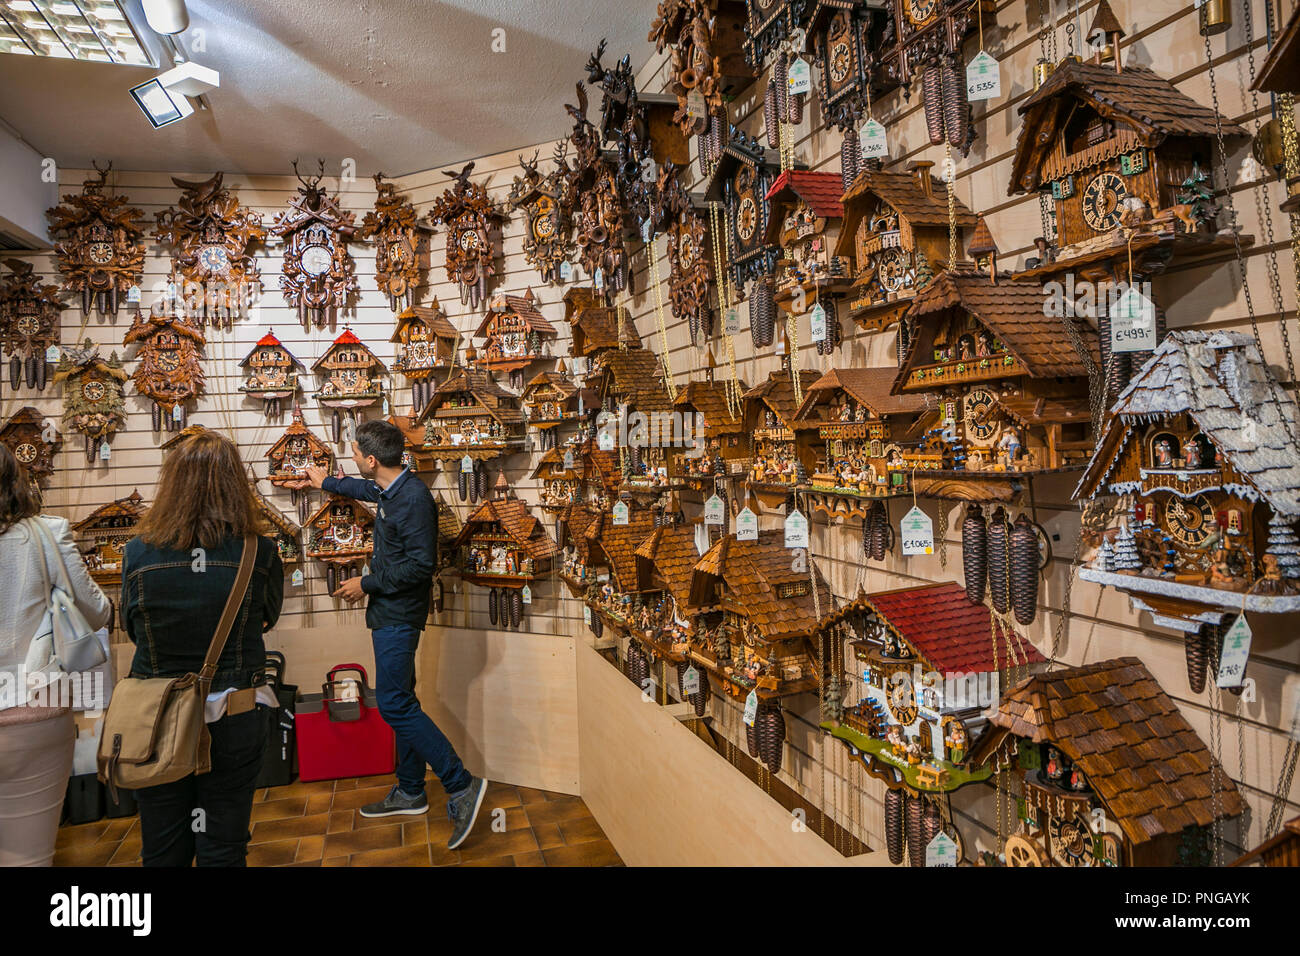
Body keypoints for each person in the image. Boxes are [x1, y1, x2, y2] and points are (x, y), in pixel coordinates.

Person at [289, 419, 487, 850]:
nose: (355, 457)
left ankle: (460, 784)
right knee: (404, 700)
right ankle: (412, 790)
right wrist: (330, 483)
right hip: (389, 614)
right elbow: (366, 490)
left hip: (398, 614)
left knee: (395, 705)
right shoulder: (391, 488)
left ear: (372, 459)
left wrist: (367, 584)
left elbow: (420, 566)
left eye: (357, 453)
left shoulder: (413, 498)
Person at [122, 431, 283, 866]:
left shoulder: (137, 551)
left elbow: (133, 627)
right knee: (224, 843)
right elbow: (266, 619)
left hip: (156, 714)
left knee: (162, 845)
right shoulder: (260, 551)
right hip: (234, 711)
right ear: (235, 484)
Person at [0, 442, 112, 866]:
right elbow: (95, 612)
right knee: (26, 858)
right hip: (32, 706)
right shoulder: (46, 532)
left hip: (33, 714)